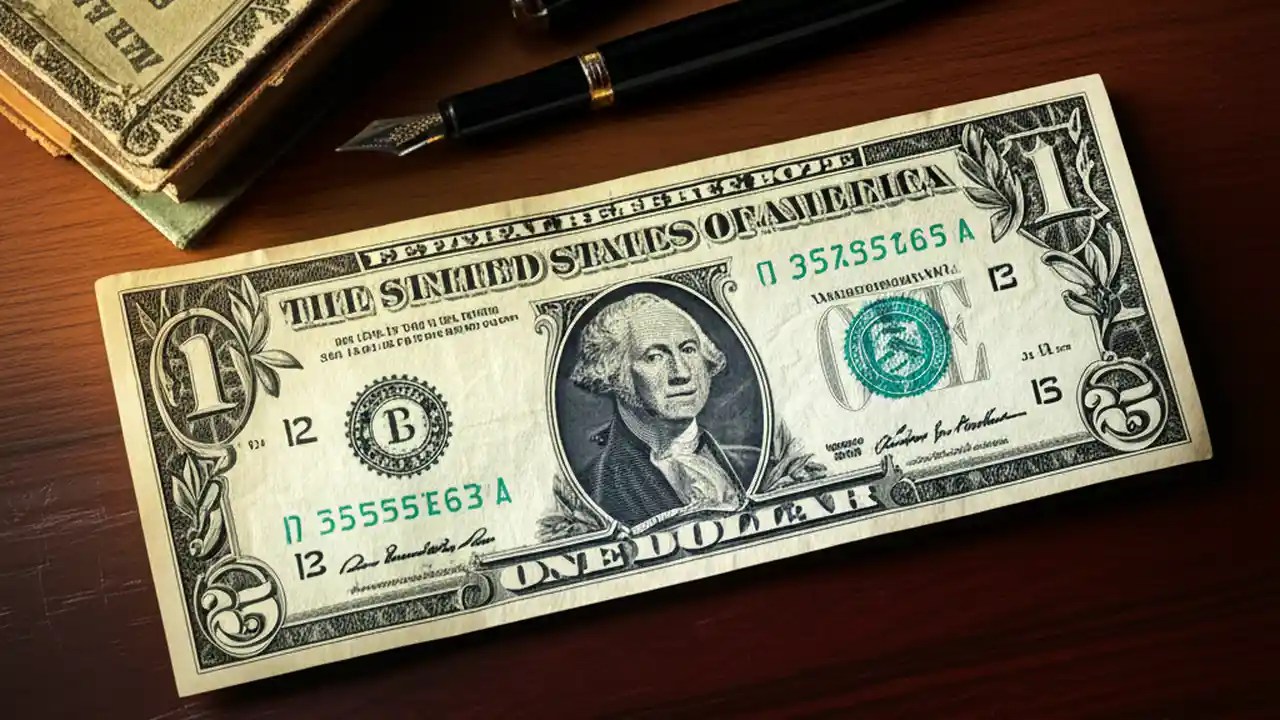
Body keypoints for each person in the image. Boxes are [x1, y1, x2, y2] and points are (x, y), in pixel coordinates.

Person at [569, 292, 758, 528]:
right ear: (613, 373)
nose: (681, 373)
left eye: (688, 349)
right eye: (654, 357)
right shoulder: (590, 494)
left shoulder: (754, 462)